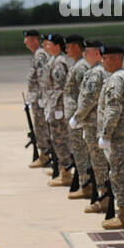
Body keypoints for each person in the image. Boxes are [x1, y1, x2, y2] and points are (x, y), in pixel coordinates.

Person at [96, 46, 124, 231]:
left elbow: (113, 110)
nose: (103, 61)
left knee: (119, 175)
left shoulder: (116, 80)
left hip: (118, 136)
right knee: (122, 173)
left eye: (105, 58)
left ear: (115, 59)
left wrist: (106, 134)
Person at [72, 40, 110, 214]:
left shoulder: (96, 73)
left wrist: (77, 117)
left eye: (88, 51)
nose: (84, 54)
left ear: (97, 53)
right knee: (101, 163)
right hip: (98, 125)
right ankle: (105, 196)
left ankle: (105, 199)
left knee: (99, 164)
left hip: (94, 126)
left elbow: (89, 99)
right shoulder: (103, 71)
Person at [60, 35, 93, 200]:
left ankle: (86, 184)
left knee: (81, 152)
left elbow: (85, 95)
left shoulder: (81, 67)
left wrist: (79, 116)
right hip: (75, 116)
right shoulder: (77, 65)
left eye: (69, 47)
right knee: (78, 151)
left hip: (78, 119)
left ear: (78, 47)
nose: (66, 50)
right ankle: (85, 182)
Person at [41, 34, 73, 188]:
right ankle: (62, 168)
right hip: (52, 106)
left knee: (60, 140)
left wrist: (57, 108)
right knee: (56, 139)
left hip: (58, 107)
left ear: (57, 46)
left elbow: (61, 88)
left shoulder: (59, 62)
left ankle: (66, 172)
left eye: (49, 44)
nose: (46, 46)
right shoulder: (53, 60)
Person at [23, 30, 51, 169]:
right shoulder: (37, 54)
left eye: (27, 39)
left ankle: (45, 155)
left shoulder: (40, 55)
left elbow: (42, 77)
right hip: (36, 98)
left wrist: (42, 97)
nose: (25, 42)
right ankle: (44, 154)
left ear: (34, 40)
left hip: (40, 99)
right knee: (39, 127)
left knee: (42, 128)